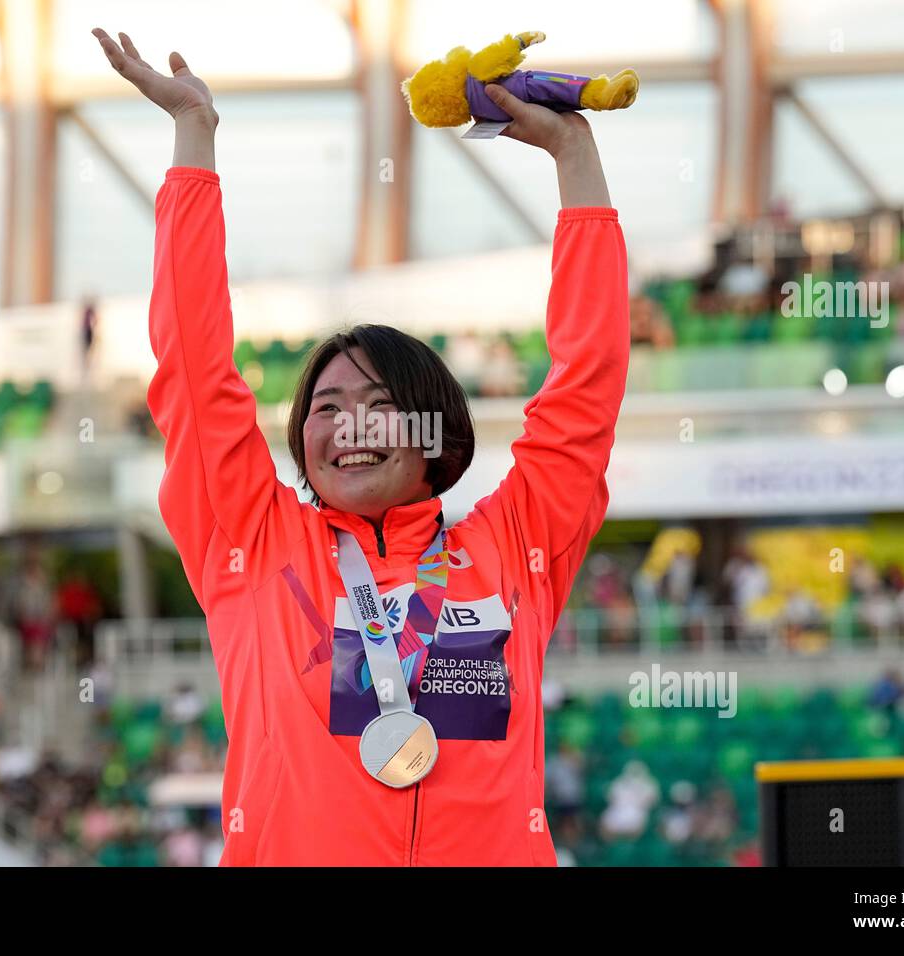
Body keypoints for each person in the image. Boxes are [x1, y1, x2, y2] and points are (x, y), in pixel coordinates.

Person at [93, 26, 628, 866]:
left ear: (434, 433)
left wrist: (575, 164)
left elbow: (585, 388)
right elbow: (195, 369)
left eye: (377, 405)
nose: (347, 426)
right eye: (326, 408)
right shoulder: (251, 537)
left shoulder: (514, 544)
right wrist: (193, 141)